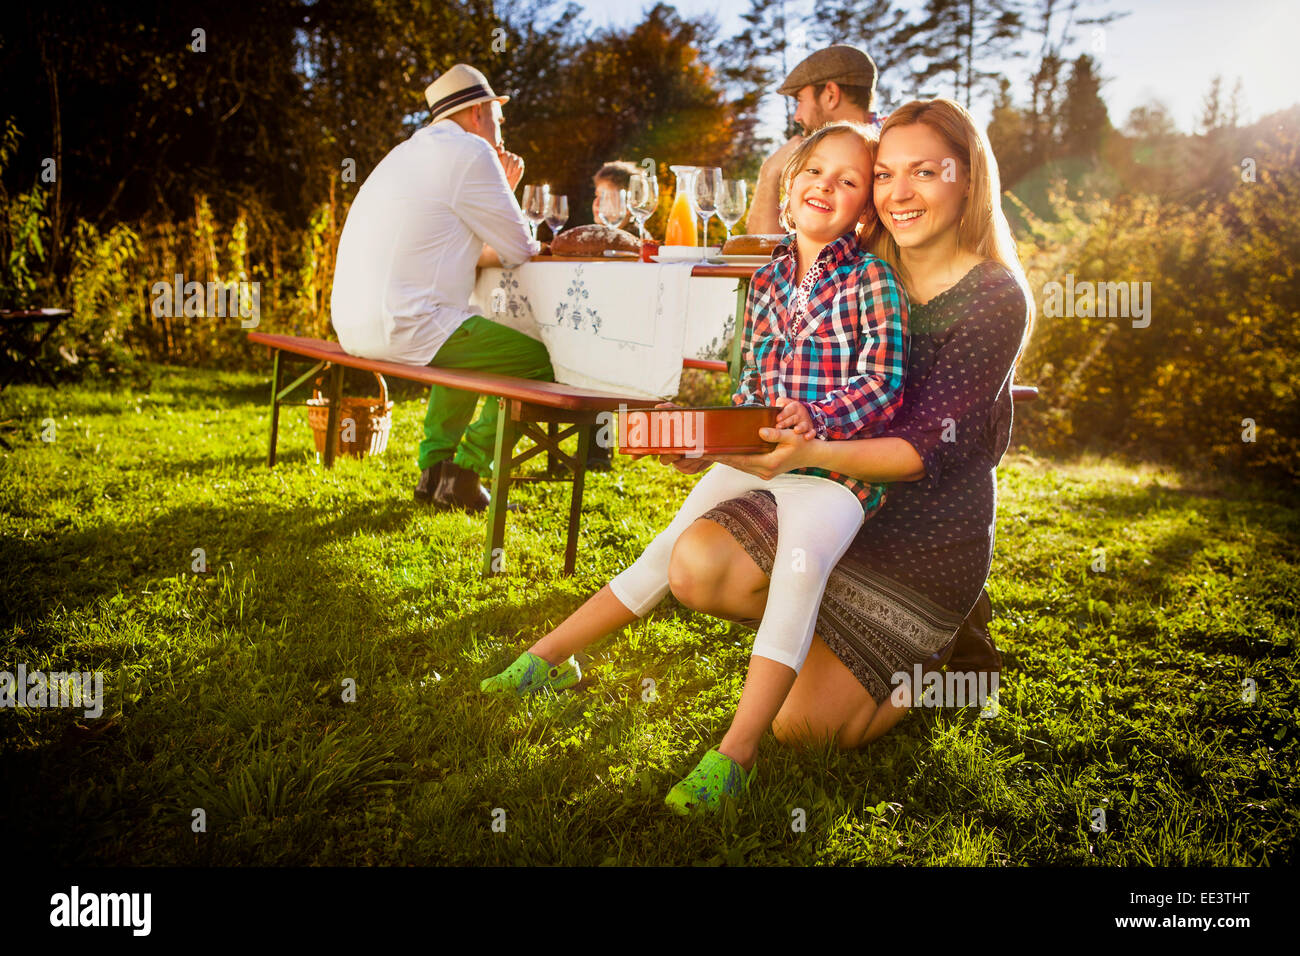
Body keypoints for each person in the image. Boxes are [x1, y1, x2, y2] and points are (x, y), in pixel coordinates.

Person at [480, 121, 910, 815]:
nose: (826, 186)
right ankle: (543, 661)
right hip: (762, 455)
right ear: (792, 180)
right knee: (664, 550)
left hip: (835, 472)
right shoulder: (768, 278)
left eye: (849, 181)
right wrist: (713, 442)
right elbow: (749, 390)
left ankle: (734, 754)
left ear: (864, 208)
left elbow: (882, 383)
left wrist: (818, 421)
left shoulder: (871, 279)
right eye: (816, 171)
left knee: (800, 568)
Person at [669, 97, 1033, 764]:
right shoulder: (861, 259)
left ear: (969, 179)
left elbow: (927, 451)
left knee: (803, 731)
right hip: (839, 501)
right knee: (695, 569)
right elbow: (777, 305)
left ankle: (948, 646)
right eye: (886, 174)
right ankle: (825, 633)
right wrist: (721, 430)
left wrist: (809, 451)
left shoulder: (994, 297)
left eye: (924, 172)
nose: (900, 193)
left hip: (926, 532)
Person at [330, 64, 552, 512]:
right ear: (476, 114)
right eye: (498, 117)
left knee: (466, 335)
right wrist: (508, 190)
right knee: (545, 362)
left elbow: (467, 251)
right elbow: (520, 251)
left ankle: (433, 471)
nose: (501, 128)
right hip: (405, 325)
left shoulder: (403, 154)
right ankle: (465, 473)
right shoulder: (473, 153)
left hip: (353, 326)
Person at [747, 44, 881, 236]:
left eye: (800, 100)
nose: (797, 116)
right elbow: (769, 249)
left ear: (831, 95)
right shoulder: (817, 166)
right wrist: (770, 172)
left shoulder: (891, 154)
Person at [591, 160, 638, 230]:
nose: (597, 203)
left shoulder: (635, 239)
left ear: (629, 204)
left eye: (605, 198)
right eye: (596, 196)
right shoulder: (597, 237)